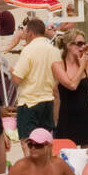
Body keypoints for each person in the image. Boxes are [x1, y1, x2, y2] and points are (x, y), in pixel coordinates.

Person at [11, 18, 58, 148]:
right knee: (46, 141)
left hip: (30, 101)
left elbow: (17, 79)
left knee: (27, 142)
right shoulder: (53, 50)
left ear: (30, 33)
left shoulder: (29, 50)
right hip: (48, 100)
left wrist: (11, 72)